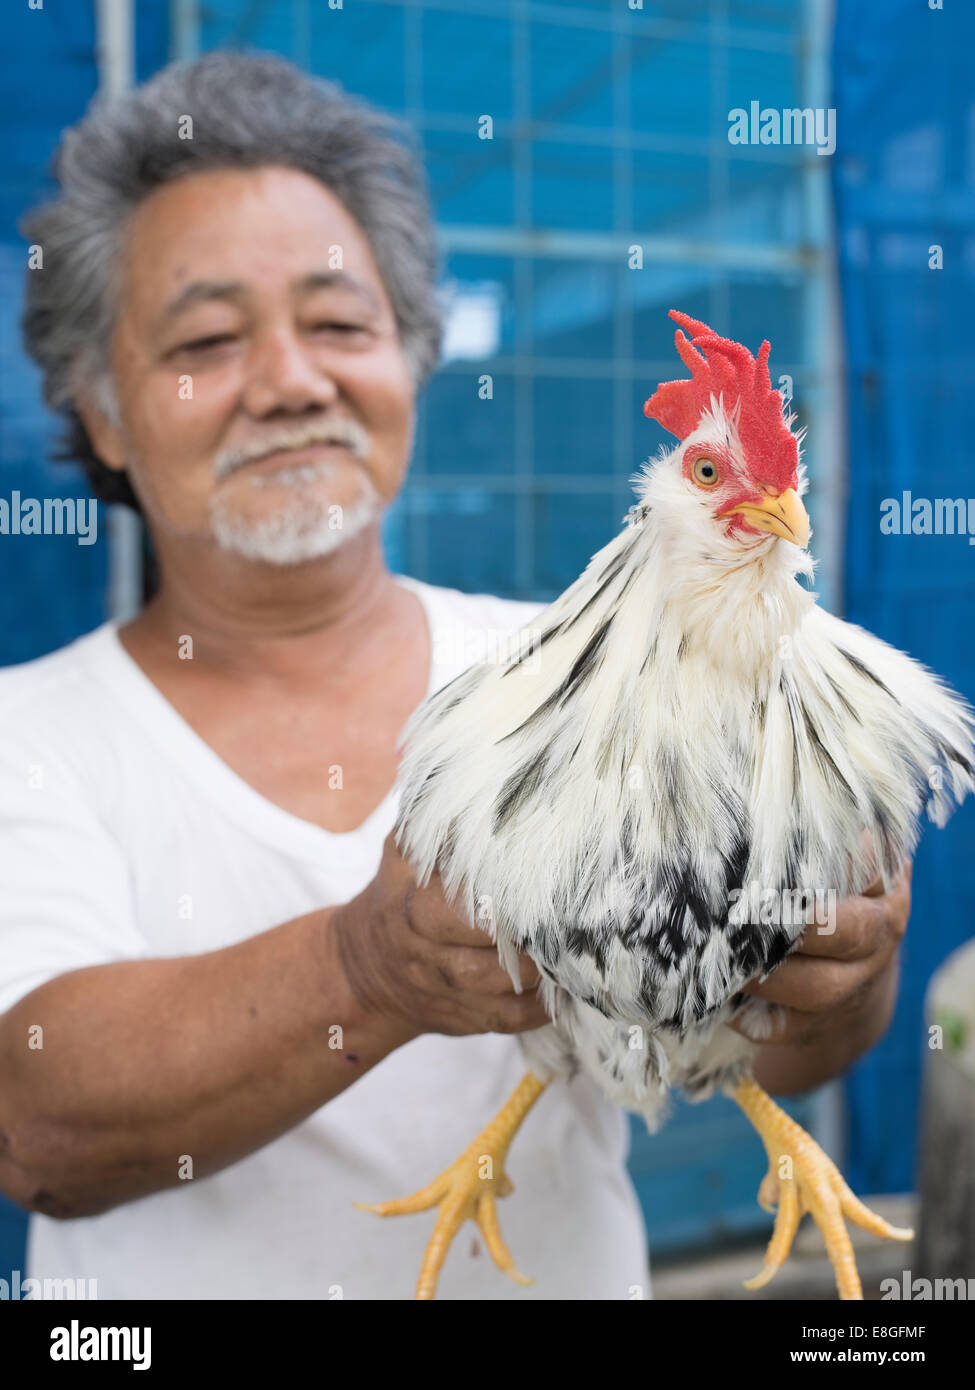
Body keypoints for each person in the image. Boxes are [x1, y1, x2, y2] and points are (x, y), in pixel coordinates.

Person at [0, 52, 911, 1300]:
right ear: (101, 412)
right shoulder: (29, 732)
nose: (290, 380)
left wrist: (844, 977)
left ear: (413, 355)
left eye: (339, 324)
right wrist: (366, 969)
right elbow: (37, 1129)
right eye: (209, 338)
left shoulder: (595, 669)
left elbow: (807, 1039)